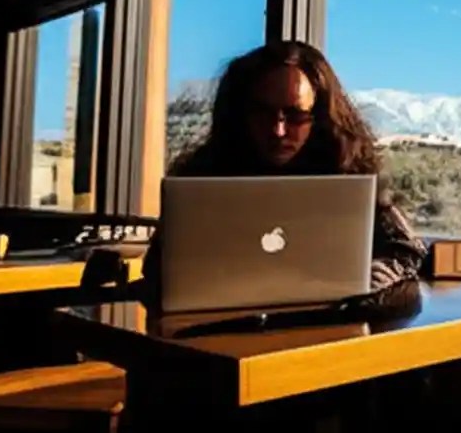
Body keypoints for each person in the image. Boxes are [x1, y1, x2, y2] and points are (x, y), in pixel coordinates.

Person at [136, 40, 426, 315]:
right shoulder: (202, 176)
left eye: (296, 116)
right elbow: (159, 271)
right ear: (239, 113)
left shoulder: (348, 174)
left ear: (322, 116)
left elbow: (407, 249)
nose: (278, 130)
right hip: (211, 333)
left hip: (321, 336)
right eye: (262, 113)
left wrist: (356, 287)